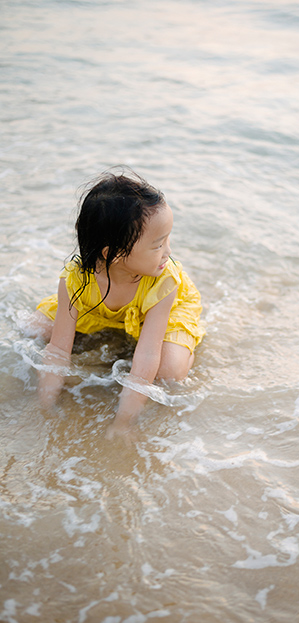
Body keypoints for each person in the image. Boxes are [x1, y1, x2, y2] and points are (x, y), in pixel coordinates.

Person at [32, 170, 205, 441]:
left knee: (169, 371)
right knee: (34, 329)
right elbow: (58, 350)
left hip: (163, 307)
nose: (169, 252)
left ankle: (186, 341)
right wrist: (44, 406)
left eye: (167, 240)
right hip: (99, 307)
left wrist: (123, 422)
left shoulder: (165, 280)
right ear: (112, 253)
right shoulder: (76, 279)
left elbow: (147, 357)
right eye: (159, 244)